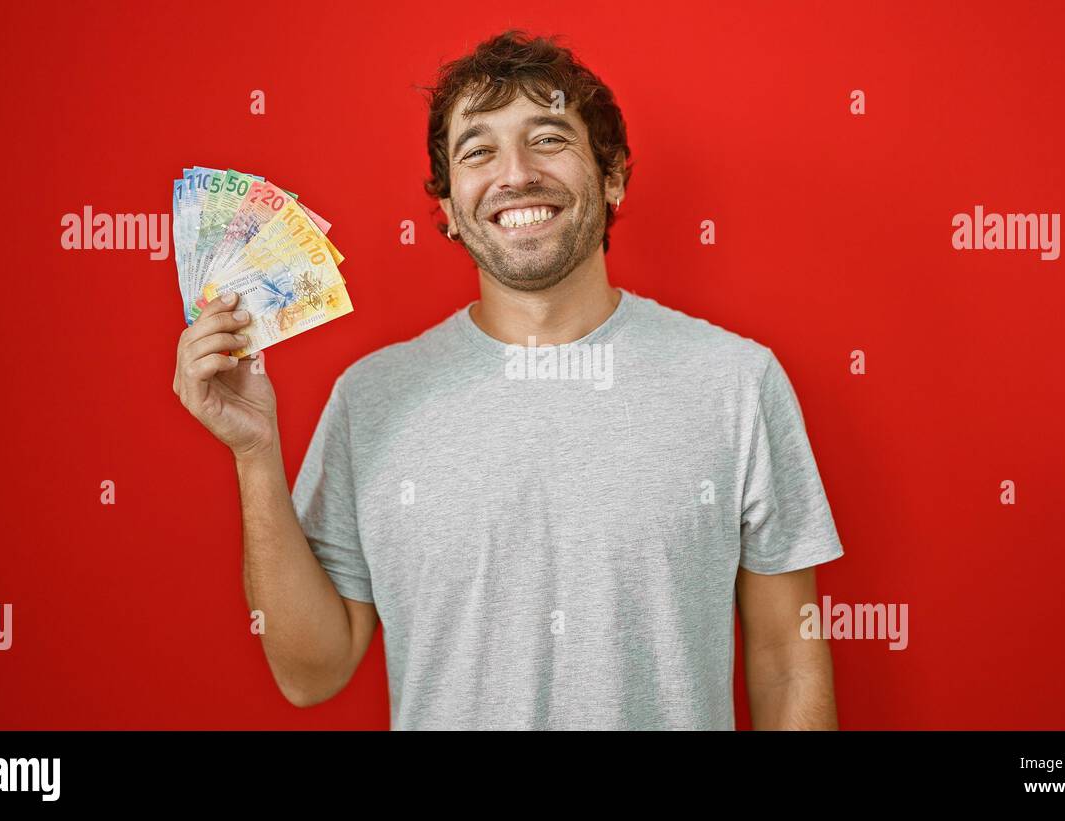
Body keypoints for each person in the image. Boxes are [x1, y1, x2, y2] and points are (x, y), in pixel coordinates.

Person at [173, 29, 846, 730]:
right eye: (478, 150)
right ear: (450, 210)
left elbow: (786, 662)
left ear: (612, 174)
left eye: (549, 137)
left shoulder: (736, 382)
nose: (515, 172)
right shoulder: (370, 399)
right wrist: (255, 454)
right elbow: (312, 673)